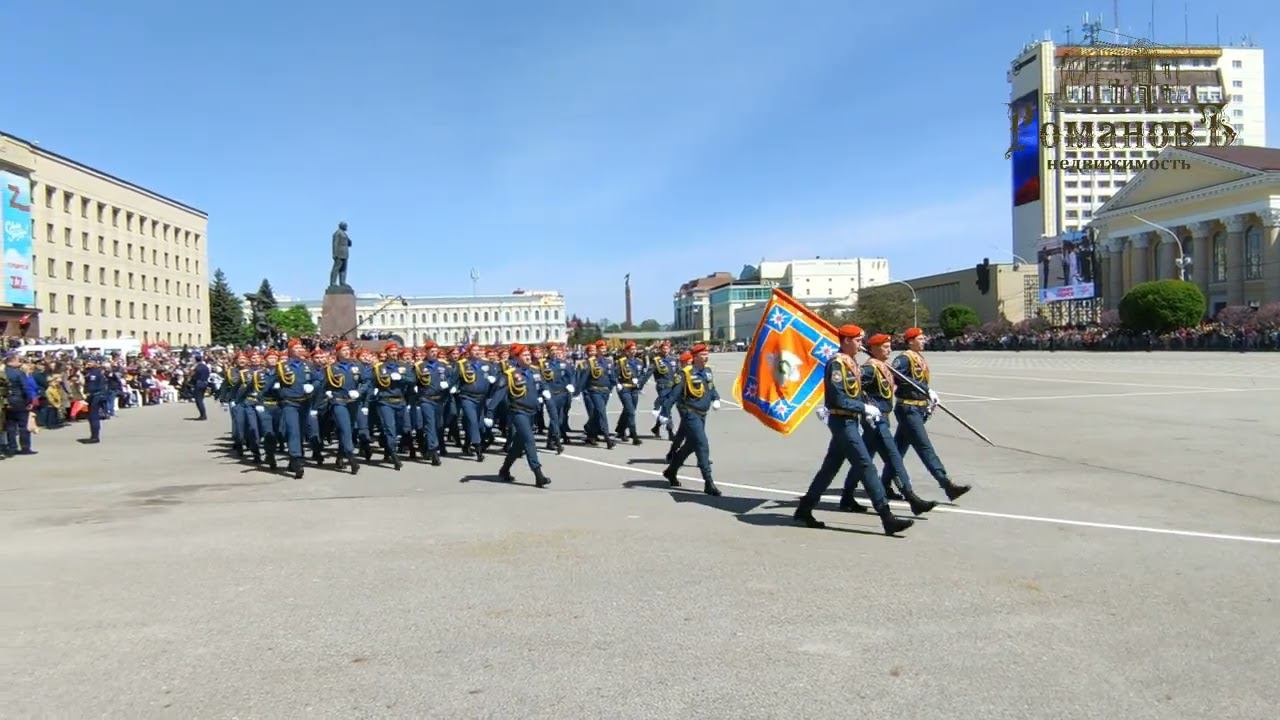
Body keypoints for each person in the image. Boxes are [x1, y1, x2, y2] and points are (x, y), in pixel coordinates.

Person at [793, 325, 914, 535]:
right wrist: (863, 407)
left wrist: (866, 407)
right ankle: (887, 517)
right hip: (842, 422)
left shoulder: (851, 363)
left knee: (829, 469)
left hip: (850, 421)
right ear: (846, 340)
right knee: (866, 465)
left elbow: (856, 392)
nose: (861, 345)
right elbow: (839, 397)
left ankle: (804, 508)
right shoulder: (837, 364)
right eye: (858, 341)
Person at [879, 328, 972, 501]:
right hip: (908, 408)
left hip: (919, 408)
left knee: (897, 451)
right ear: (910, 341)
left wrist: (927, 399)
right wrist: (925, 389)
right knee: (924, 447)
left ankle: (884, 484)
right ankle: (946, 483)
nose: (924, 340)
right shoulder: (904, 358)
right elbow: (895, 376)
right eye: (920, 338)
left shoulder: (918, 357)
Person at [852, 334, 936, 516]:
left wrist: (926, 391)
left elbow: (901, 383)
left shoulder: (883, 366)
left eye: (889, 346)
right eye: (884, 347)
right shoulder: (868, 368)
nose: (889, 350)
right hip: (874, 420)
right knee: (894, 458)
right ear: (873, 349)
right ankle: (911, 497)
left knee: (863, 459)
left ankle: (846, 496)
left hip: (883, 417)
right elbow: (853, 388)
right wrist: (865, 406)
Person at [659, 343, 722, 497]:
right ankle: (708, 482)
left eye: (707, 354)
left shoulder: (707, 371)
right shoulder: (684, 373)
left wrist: (716, 398)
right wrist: (664, 412)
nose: (706, 356)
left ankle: (671, 471)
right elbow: (674, 394)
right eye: (703, 354)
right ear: (695, 357)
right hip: (690, 413)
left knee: (690, 446)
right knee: (702, 444)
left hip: (702, 414)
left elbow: (711, 388)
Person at [491, 344, 552, 487]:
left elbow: (543, 384)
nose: (528, 357)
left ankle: (504, 470)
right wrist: (489, 412)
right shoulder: (510, 374)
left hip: (532, 412)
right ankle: (538, 475)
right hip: (518, 412)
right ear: (517, 358)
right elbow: (498, 394)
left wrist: (545, 392)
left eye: (528, 354)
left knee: (518, 445)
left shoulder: (535, 371)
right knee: (530, 440)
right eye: (524, 355)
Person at [3, 352, 36, 455]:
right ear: (12, 361)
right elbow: (25, 387)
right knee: (23, 425)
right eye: (18, 360)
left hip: (6, 401)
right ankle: (25, 447)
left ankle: (12, 447)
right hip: (19, 400)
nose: (20, 363)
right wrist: (29, 401)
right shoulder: (18, 373)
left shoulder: (3, 372)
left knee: (10, 425)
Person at [83, 355, 109, 444]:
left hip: (95, 396)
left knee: (93, 416)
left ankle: (95, 437)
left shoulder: (95, 372)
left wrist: (87, 392)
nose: (88, 363)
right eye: (87, 362)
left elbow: (92, 386)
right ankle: (93, 435)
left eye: (90, 362)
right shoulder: (89, 372)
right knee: (91, 417)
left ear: (95, 363)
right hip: (93, 396)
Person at [190, 352, 210, 420]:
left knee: (199, 400)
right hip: (205, 383)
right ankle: (203, 415)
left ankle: (203, 415)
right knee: (201, 399)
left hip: (198, 383)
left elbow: (194, 377)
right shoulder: (205, 367)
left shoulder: (197, 368)